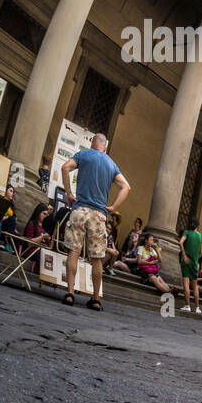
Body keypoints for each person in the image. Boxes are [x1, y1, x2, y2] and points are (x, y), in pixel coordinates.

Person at [58, 133, 130, 311]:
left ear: (92, 143)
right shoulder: (111, 164)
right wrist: (113, 207)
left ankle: (70, 293)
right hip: (99, 215)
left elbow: (65, 168)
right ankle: (96, 299)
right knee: (97, 259)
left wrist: (68, 193)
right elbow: (126, 187)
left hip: (80, 210)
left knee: (73, 252)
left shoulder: (84, 154)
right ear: (105, 147)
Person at [178, 216, 202, 314]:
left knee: (186, 283)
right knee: (195, 286)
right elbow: (201, 251)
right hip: (195, 262)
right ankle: (197, 307)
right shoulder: (200, 236)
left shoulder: (187, 232)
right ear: (198, 225)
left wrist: (184, 254)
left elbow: (180, 243)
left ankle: (187, 305)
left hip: (186, 261)